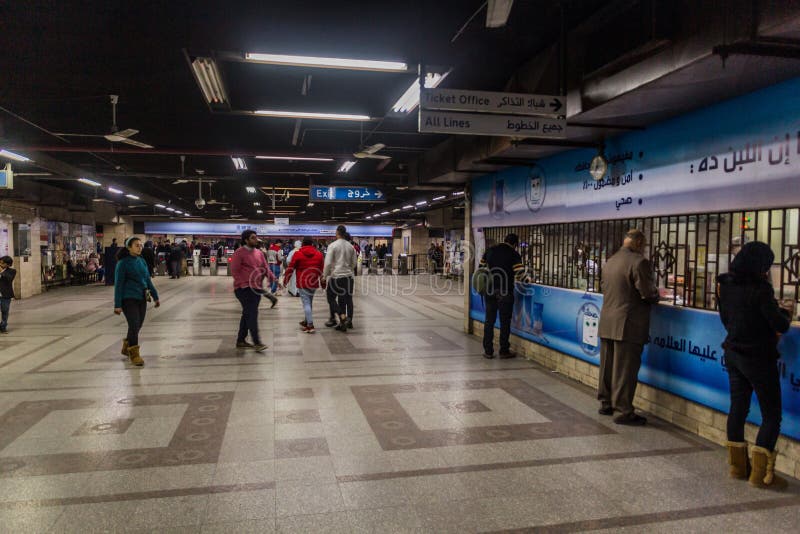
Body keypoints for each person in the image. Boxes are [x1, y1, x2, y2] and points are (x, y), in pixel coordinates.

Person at [717, 241, 792, 490]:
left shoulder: (725, 285)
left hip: (733, 353)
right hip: (758, 357)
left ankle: (738, 467)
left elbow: (726, 320)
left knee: (738, 408)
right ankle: (760, 476)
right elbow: (779, 325)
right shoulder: (761, 290)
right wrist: (786, 312)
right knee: (772, 414)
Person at [597, 229, 659, 426]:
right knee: (624, 369)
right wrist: (657, 295)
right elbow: (647, 293)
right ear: (639, 242)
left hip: (608, 320)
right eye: (645, 245)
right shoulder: (639, 262)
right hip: (628, 323)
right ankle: (623, 411)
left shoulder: (610, 261)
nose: (645, 248)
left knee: (608, 366)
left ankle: (606, 403)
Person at [113, 237, 160, 366]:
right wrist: (117, 305)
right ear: (129, 247)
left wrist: (155, 296)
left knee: (138, 325)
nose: (140, 248)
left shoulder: (141, 261)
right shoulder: (122, 263)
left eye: (141, 245)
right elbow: (118, 284)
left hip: (142, 297)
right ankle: (134, 355)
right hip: (128, 298)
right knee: (134, 324)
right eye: (136, 245)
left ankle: (126, 347)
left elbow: (147, 280)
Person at [480, 233, 528, 359]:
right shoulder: (513, 254)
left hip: (490, 290)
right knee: (505, 322)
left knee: (489, 321)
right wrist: (528, 280)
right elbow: (520, 274)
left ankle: (488, 351)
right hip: (505, 291)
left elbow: (481, 269)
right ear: (515, 244)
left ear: (504, 240)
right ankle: (504, 350)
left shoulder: (490, 250)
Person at [230, 230, 275, 352]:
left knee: (247, 314)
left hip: (256, 288)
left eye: (256, 237)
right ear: (246, 240)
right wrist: (242, 284)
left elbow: (265, 267)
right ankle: (257, 342)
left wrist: (273, 278)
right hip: (243, 289)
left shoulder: (259, 253)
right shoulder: (239, 253)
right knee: (252, 314)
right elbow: (234, 271)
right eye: (253, 238)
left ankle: (241, 340)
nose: (256, 240)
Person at [284, 237, 324, 333]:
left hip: (302, 282)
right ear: (312, 244)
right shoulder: (319, 254)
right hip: (313, 283)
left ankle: (310, 325)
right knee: (309, 303)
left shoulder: (298, 254)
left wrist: (286, 280)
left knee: (306, 303)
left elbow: (290, 268)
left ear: (303, 244)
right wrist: (323, 283)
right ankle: (306, 321)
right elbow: (321, 270)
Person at [323, 225, 357, 332]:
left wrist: (324, 276)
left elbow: (328, 263)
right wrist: (348, 270)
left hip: (336, 276)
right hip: (348, 277)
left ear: (337, 232)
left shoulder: (332, 245)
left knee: (330, 298)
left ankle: (342, 316)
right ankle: (345, 323)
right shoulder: (351, 247)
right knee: (345, 299)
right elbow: (354, 263)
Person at [0, 256, 17, 334]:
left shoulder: (12, 271)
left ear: (7, 264)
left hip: (5, 295)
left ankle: (3, 327)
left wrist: (1, 271)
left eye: (2, 263)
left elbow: (9, 279)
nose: (0, 264)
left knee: (5, 311)